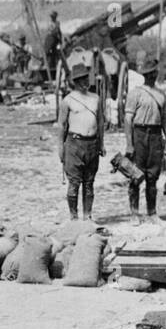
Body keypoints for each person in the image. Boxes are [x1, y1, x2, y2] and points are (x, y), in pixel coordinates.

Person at [123, 54, 166, 221]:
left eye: (154, 73)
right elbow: (128, 119)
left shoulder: (161, 95)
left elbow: (164, 118)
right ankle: (134, 213)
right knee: (135, 175)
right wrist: (129, 144)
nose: (152, 76)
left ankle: (152, 212)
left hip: (155, 136)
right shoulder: (135, 94)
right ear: (144, 75)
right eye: (149, 73)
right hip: (139, 134)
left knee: (153, 176)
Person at [60, 63, 101, 221]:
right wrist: (60, 149)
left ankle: (87, 215)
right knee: (74, 183)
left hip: (92, 144)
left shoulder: (95, 98)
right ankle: (74, 216)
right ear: (75, 81)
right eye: (81, 79)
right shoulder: (68, 100)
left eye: (86, 78)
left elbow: (100, 122)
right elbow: (62, 126)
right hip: (74, 144)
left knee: (89, 183)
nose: (85, 81)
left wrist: (101, 144)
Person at [43, 11, 63, 85]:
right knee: (47, 52)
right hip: (50, 38)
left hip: (55, 39)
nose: (52, 17)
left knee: (55, 54)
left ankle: (54, 67)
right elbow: (50, 33)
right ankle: (47, 66)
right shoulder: (49, 23)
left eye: (54, 16)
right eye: (52, 16)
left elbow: (59, 32)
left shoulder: (57, 23)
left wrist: (60, 40)